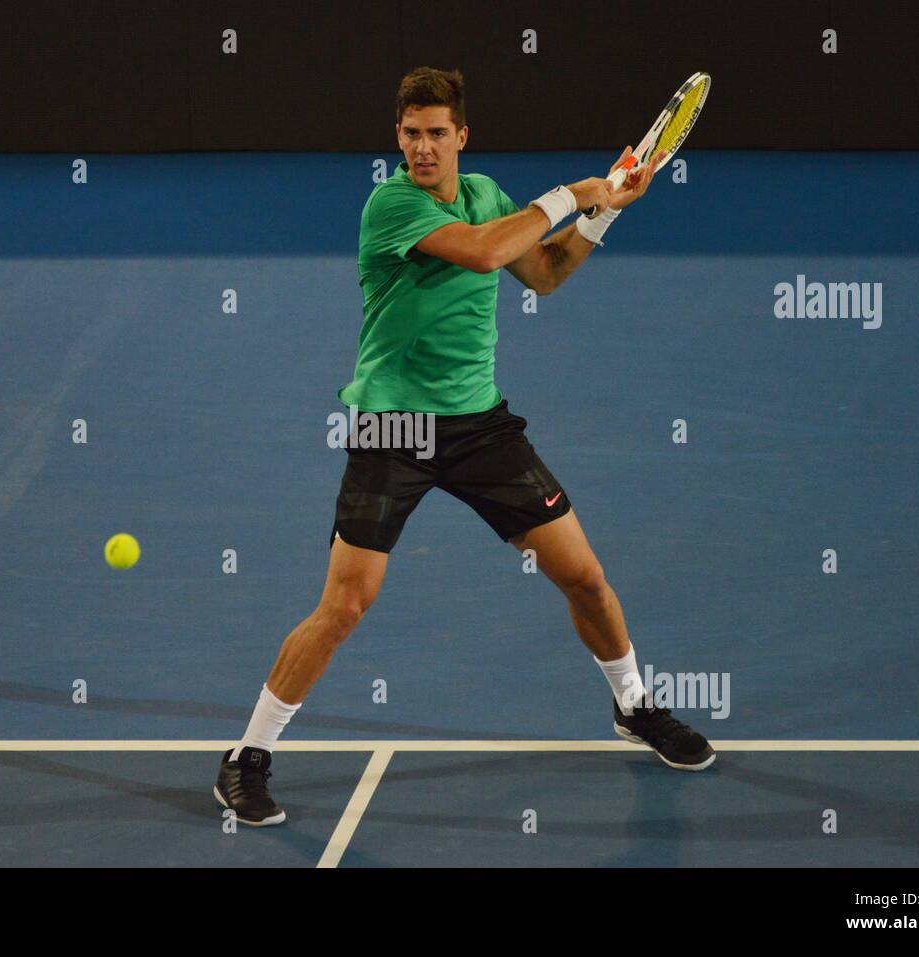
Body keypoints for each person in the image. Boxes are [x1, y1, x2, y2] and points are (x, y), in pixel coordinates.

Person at [215, 67, 714, 827]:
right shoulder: (391, 206)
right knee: (346, 604)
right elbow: (484, 255)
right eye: (410, 133)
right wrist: (577, 191)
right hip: (395, 427)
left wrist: (601, 216)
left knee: (585, 576)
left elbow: (541, 273)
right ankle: (246, 756)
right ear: (399, 138)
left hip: (479, 426)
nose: (421, 147)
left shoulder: (487, 194)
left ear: (461, 137)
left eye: (436, 133)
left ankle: (634, 705)